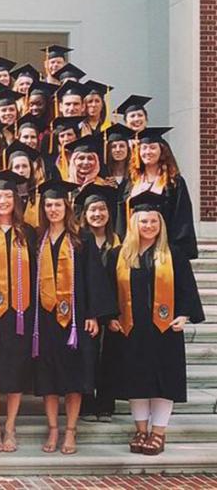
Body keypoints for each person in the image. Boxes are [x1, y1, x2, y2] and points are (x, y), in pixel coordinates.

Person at [105, 191, 205, 455]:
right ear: (134, 224)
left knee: (163, 381)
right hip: (132, 330)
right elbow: (108, 291)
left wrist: (184, 315)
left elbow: (187, 290)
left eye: (153, 222)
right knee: (137, 382)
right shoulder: (119, 256)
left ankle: (158, 433)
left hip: (164, 330)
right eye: (143, 221)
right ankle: (141, 430)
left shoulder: (174, 254)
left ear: (161, 224)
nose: (148, 226)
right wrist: (110, 317)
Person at [32, 179, 115, 455]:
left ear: (67, 207)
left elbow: (94, 278)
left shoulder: (82, 239)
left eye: (57, 204)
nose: (53, 209)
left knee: (74, 377)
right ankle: (53, 429)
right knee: (49, 379)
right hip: (44, 320)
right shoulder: (37, 240)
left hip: (75, 321)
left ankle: (71, 431)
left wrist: (94, 314)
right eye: (48, 205)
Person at [0, 170, 37, 454]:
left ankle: (10, 426)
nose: (2, 201)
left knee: (15, 372)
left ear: (16, 199)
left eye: (7, 196)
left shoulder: (29, 233)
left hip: (20, 315)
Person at [74, 183, 120, 423]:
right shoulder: (79, 243)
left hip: (114, 311)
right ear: (84, 214)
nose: (97, 214)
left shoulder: (120, 244)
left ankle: (106, 403)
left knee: (109, 357)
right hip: (87, 309)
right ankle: (87, 402)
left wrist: (113, 314)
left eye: (102, 209)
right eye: (92, 210)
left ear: (109, 213)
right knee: (86, 355)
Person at [128, 127, 197, 259]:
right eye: (144, 148)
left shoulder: (174, 182)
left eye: (153, 148)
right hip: (135, 249)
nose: (148, 152)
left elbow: (182, 216)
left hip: (165, 248)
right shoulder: (131, 182)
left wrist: (175, 248)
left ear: (162, 151)